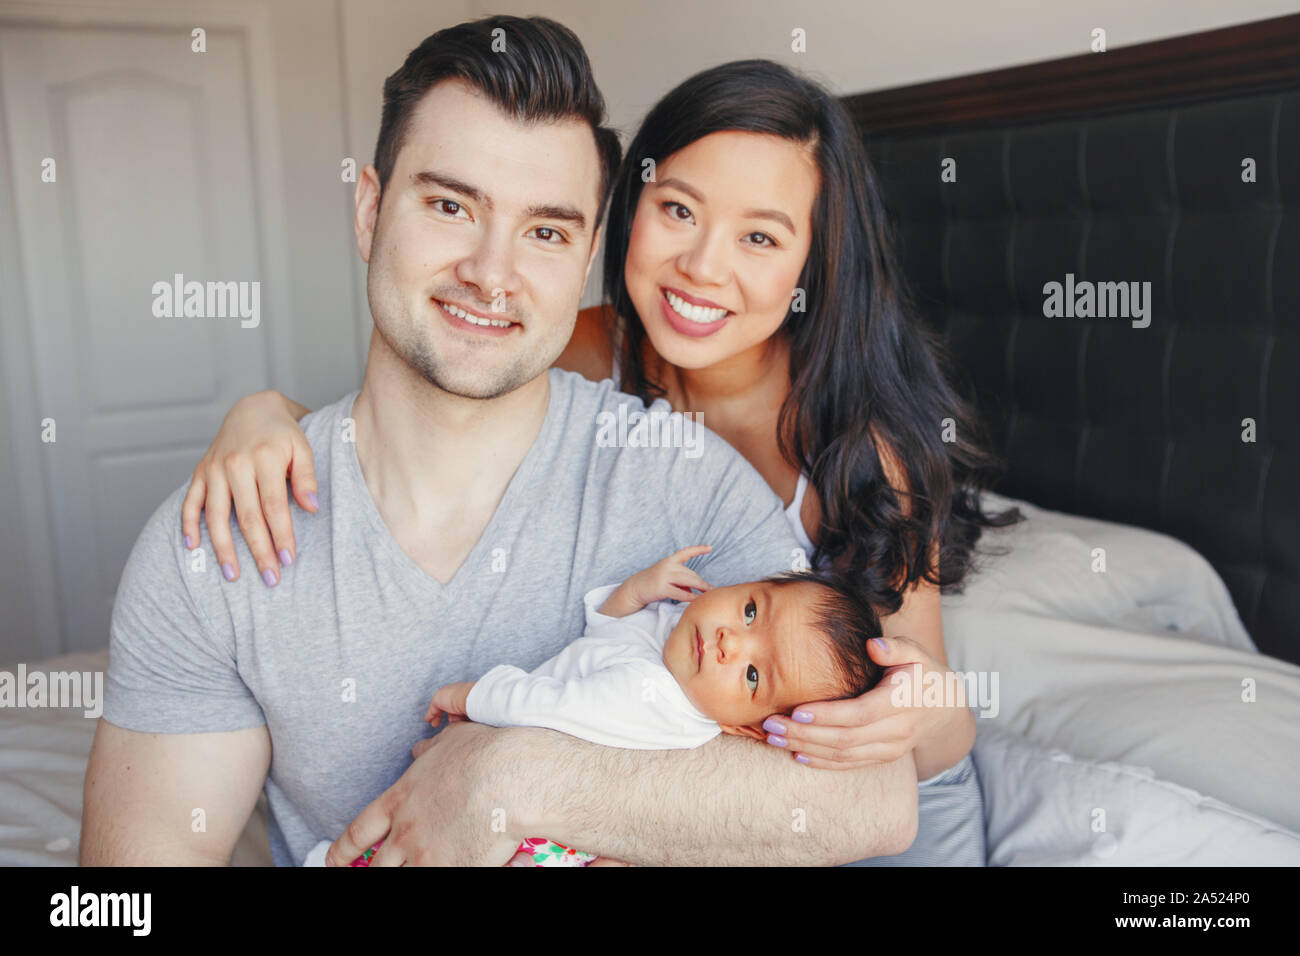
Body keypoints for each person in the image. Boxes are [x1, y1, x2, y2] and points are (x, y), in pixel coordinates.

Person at [80, 15, 919, 867]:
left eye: (546, 231)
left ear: (589, 250)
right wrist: (263, 408)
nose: (491, 272)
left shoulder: (692, 486)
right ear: (370, 211)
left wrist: (510, 778)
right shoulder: (220, 539)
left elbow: (876, 799)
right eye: (450, 206)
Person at [304, 549, 888, 867]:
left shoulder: (653, 701)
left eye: (754, 674)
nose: (732, 641)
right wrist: (637, 590)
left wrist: (474, 695)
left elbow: (550, 705)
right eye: (753, 612)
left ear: (744, 727)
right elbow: (604, 637)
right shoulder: (674, 649)